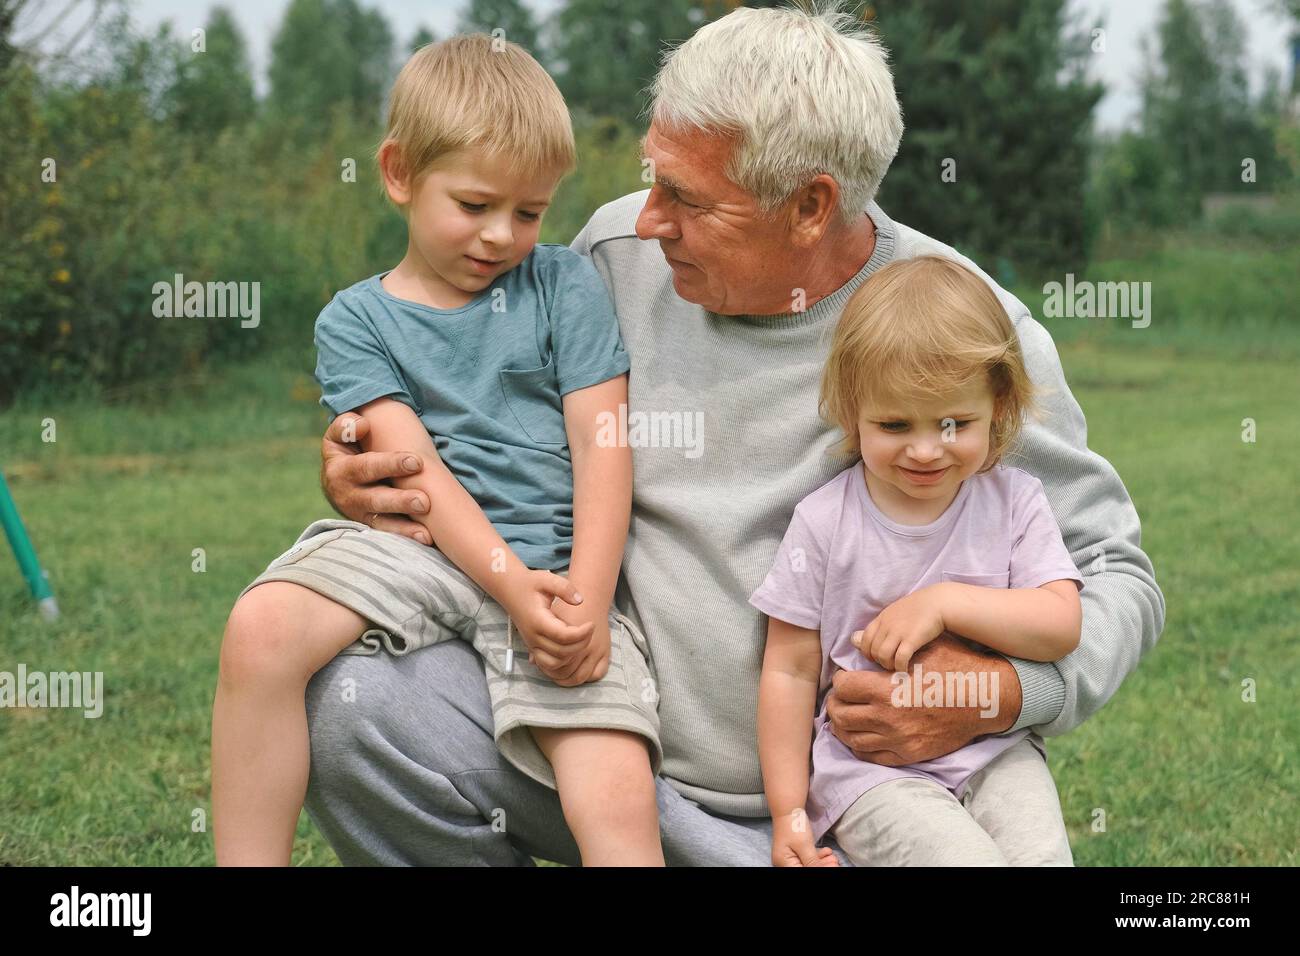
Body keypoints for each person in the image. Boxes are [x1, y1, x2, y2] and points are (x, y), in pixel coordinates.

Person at [300, 2, 1165, 866]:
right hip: (604, 752)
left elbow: (1114, 577)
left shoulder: (961, 326)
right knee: (361, 712)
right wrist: (383, 467)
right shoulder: (610, 258)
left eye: (685, 197)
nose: (649, 218)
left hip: (848, 810)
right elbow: (485, 411)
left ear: (809, 207)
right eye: (653, 179)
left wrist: (1002, 692)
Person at [210, 35, 664, 867]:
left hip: (557, 561)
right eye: (475, 204)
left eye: (529, 213)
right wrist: (503, 583)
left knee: (614, 787)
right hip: (425, 549)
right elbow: (413, 475)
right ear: (398, 174)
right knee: (261, 626)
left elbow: (604, 449)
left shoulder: (564, 286)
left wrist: (586, 601)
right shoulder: (356, 321)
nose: (501, 235)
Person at [752, 256, 1084, 867]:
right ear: (853, 409)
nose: (926, 449)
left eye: (955, 423)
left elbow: (1060, 624)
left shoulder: (1014, 503)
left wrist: (944, 601)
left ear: (1000, 406)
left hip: (992, 750)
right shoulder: (825, 521)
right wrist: (787, 811)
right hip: (870, 774)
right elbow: (791, 672)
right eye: (894, 423)